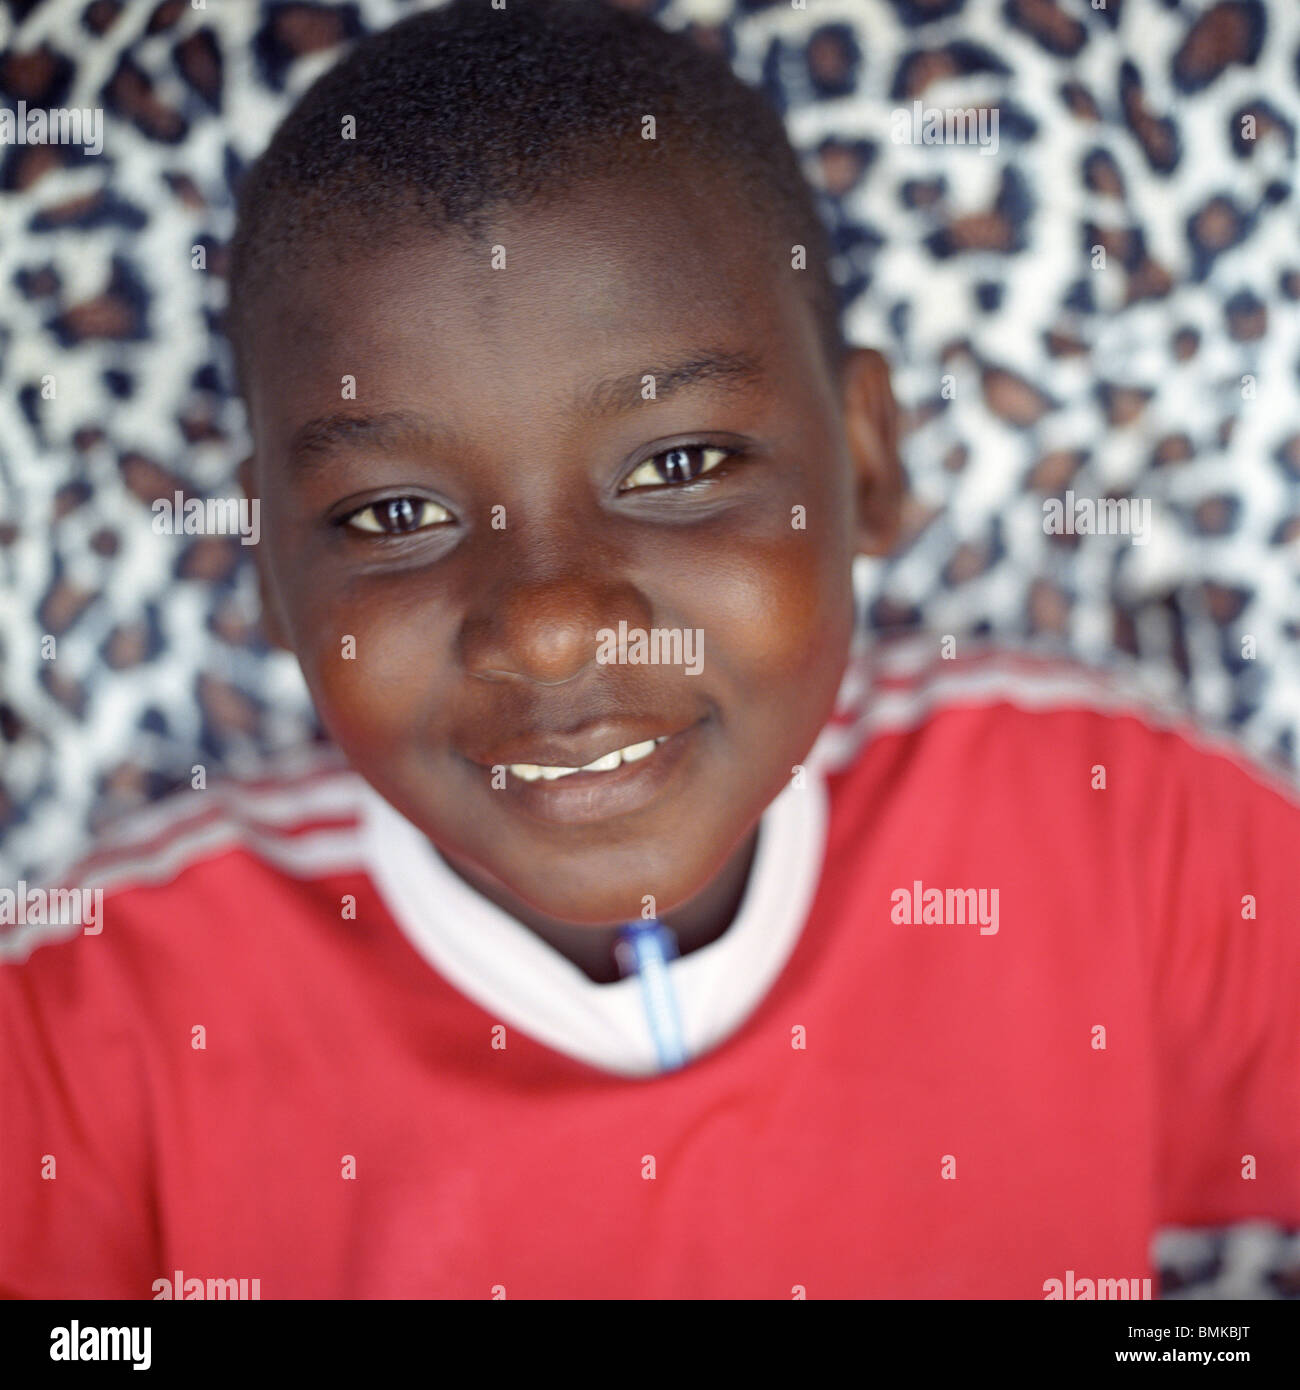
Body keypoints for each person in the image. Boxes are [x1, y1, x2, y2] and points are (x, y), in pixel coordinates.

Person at [1, 0, 1296, 1299]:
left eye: (678, 463)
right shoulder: (100, 1028)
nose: (552, 621)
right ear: (273, 569)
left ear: (864, 458)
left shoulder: (1105, 829)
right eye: (394, 514)